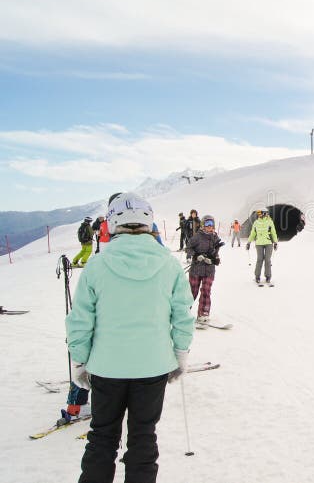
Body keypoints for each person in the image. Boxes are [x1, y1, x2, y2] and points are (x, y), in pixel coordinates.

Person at [65, 192, 194, 483]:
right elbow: (183, 315)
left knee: (102, 437)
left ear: (112, 223)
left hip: (106, 367)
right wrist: (180, 354)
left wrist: (79, 360)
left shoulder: (97, 265)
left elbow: (81, 320)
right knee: (143, 437)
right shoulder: (168, 263)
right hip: (152, 367)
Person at [186, 214, 223, 326]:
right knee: (192, 292)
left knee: (206, 291)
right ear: (202, 225)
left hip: (209, 270)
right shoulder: (197, 237)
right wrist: (196, 255)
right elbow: (188, 248)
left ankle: (203, 314)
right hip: (196, 269)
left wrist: (214, 260)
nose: (210, 226)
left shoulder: (215, 238)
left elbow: (215, 255)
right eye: (207, 224)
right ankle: (184, 312)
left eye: (212, 224)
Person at [246, 209, 278, 286]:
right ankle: (257, 276)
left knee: (267, 260)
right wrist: (249, 242)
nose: (259, 214)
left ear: (265, 213)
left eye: (260, 213)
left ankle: (268, 276)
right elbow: (253, 233)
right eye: (258, 213)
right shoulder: (256, 222)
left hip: (268, 243)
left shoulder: (270, 222)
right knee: (259, 259)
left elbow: (273, 232)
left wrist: (275, 242)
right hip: (259, 243)